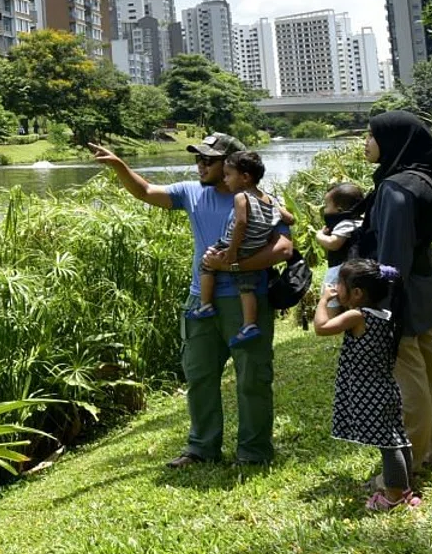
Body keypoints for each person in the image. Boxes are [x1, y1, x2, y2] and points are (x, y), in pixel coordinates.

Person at [91, 133, 294, 467]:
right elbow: (145, 191)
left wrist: (232, 266)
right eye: (198, 159)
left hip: (247, 301)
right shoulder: (191, 192)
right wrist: (119, 166)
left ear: (231, 164)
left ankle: (254, 452)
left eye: (209, 160)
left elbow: (283, 249)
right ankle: (201, 448)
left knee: (253, 379)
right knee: (199, 377)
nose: (201, 165)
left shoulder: (259, 199)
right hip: (201, 301)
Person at [365, 110, 432, 477]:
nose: (366, 143)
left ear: (392, 141)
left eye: (371, 136)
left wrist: (382, 303)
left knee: (408, 374)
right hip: (424, 281)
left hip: (399, 289)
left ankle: (409, 460)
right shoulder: (424, 179)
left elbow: (392, 253)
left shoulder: (395, 188)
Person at [313, 258, 418, 511]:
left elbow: (322, 328)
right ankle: (404, 489)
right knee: (397, 438)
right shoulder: (384, 315)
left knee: (388, 443)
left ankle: (393, 497)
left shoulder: (357, 315)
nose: (336, 287)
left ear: (357, 293)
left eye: (340, 283)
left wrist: (324, 300)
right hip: (385, 388)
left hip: (369, 392)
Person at [191, 150, 289, 348]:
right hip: (254, 250)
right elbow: (290, 218)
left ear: (245, 177)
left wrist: (232, 251)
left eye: (228, 175)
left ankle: (205, 305)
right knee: (246, 287)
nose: (225, 179)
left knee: (206, 263)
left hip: (237, 246)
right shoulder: (271, 200)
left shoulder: (241, 197)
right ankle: (249, 325)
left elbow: (241, 223)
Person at [315, 182, 371, 311]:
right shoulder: (362, 222)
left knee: (331, 297)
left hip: (339, 270)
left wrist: (319, 236)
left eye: (327, 206)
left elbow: (334, 243)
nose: (325, 209)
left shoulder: (345, 223)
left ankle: (330, 317)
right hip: (355, 269)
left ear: (339, 210)